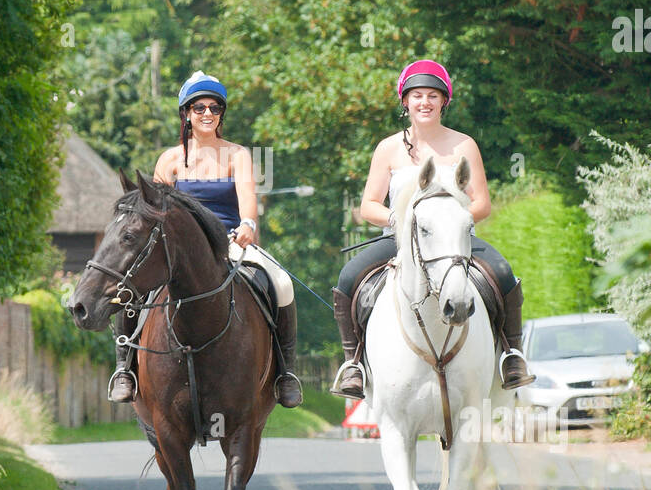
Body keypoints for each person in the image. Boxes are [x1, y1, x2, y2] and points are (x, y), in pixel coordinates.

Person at [331, 58, 536, 398]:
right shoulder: (388, 148)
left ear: (444, 101)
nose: (424, 102)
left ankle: (512, 356)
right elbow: (368, 206)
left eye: (432, 95)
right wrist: (399, 220)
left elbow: (482, 202)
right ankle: (353, 363)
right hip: (400, 240)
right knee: (349, 278)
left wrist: (452, 221)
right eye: (417, 96)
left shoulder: (464, 145)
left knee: (502, 272)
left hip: (454, 242)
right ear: (405, 102)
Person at [108, 70, 303, 408]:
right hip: (180, 250)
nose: (208, 114)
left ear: (221, 113)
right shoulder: (169, 160)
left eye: (214, 108)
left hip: (228, 242)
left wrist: (247, 226)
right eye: (199, 108)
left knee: (282, 283)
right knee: (133, 288)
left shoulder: (238, 155)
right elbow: (154, 211)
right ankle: (125, 367)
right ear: (186, 113)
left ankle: (285, 373)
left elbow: (248, 206)